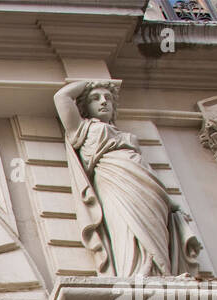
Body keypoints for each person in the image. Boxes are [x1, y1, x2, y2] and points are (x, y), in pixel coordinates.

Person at [54, 79, 201, 278]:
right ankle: (136, 272)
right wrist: (90, 81)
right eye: (95, 99)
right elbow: (61, 97)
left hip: (146, 183)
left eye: (108, 98)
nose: (103, 102)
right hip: (114, 179)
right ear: (84, 106)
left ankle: (161, 274)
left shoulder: (121, 133)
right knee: (125, 225)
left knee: (154, 228)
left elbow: (144, 166)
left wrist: (170, 201)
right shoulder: (82, 128)